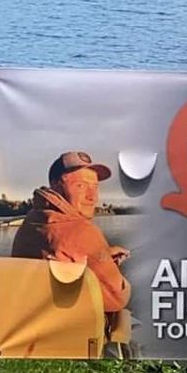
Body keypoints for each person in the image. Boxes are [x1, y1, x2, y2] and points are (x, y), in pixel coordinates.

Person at [12, 151, 131, 356]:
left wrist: (102, 256)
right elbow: (117, 298)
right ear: (57, 186)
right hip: (74, 338)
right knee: (131, 320)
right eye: (81, 186)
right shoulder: (81, 231)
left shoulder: (33, 220)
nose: (92, 196)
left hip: (37, 331)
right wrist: (117, 274)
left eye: (95, 187)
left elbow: (63, 253)